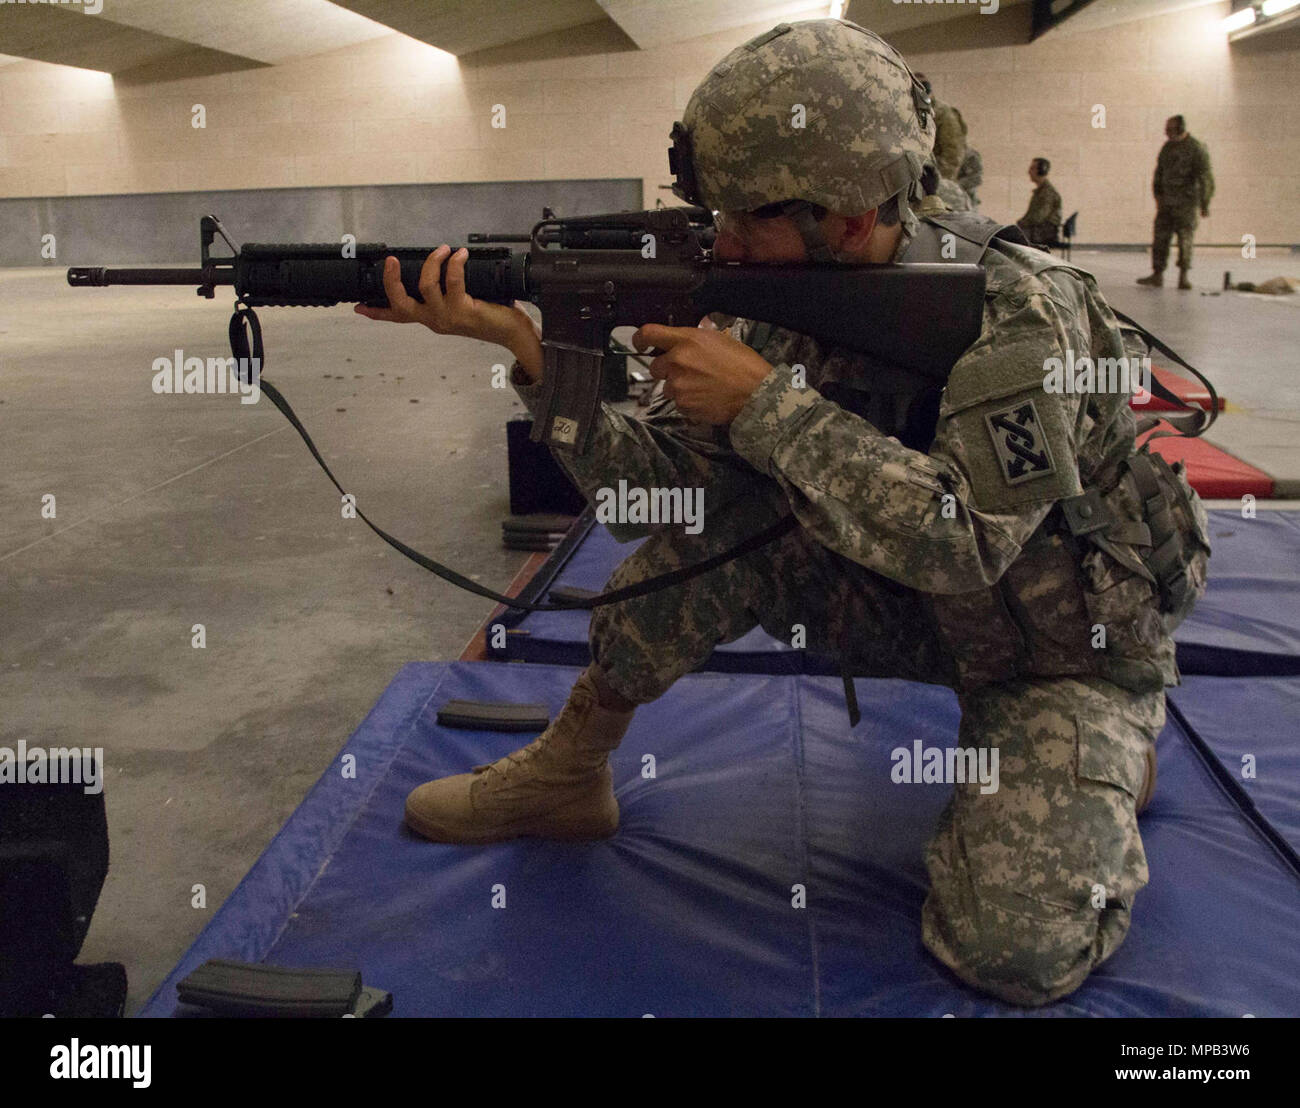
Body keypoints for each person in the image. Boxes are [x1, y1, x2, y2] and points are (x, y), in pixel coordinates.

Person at [356, 19, 1207, 1008]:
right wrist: (540, 362)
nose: (717, 241)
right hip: (904, 604)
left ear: (845, 220)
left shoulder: (1022, 312)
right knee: (712, 537)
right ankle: (567, 768)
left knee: (1011, 951)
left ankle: (1107, 754)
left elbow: (968, 540)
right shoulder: (769, 296)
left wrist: (767, 406)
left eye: (741, 217)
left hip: (1058, 644)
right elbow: (655, 502)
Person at [1137, 115, 1214, 290]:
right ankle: (1157, 274)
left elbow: (1205, 178)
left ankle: (1183, 276)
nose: (1166, 132)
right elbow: (1159, 172)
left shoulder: (1196, 148)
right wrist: (1158, 195)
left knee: (1185, 240)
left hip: (1186, 204)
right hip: (1166, 203)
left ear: (1179, 128)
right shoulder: (1167, 147)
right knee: (1160, 238)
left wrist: (1205, 203)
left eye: (1169, 129)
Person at [914, 72, 967, 181]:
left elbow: (952, 156)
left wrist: (936, 183)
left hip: (936, 178)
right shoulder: (909, 110)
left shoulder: (943, 113)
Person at [1017, 157, 1062, 247]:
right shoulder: (1041, 191)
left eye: (1032, 168)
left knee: (1013, 238)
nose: (1029, 172)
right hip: (1038, 229)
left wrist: (1022, 223)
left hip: (1044, 232)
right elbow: (1032, 215)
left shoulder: (1047, 193)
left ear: (1042, 171)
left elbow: (1039, 217)